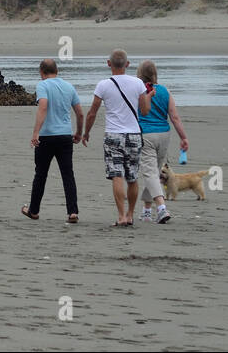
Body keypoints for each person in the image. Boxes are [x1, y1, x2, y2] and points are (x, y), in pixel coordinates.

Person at [83, 49, 152, 227]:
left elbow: (92, 113)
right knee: (132, 177)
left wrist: (86, 132)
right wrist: (148, 96)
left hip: (113, 135)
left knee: (116, 176)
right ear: (127, 64)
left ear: (109, 64)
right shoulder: (138, 83)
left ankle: (121, 215)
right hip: (134, 135)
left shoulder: (103, 85)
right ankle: (130, 215)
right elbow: (145, 111)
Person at [21, 58, 82, 223]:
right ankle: (73, 212)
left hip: (47, 136)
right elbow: (79, 112)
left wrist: (35, 133)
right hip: (65, 136)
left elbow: (43, 106)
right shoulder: (69, 86)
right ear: (57, 71)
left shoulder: (43, 85)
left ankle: (34, 211)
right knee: (67, 174)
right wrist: (79, 132)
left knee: (40, 174)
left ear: (41, 72)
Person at [136, 60, 189, 225]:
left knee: (150, 173)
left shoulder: (138, 90)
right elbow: (174, 117)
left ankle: (161, 208)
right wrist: (183, 137)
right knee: (154, 172)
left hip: (145, 134)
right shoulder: (165, 91)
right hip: (164, 135)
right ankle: (146, 211)